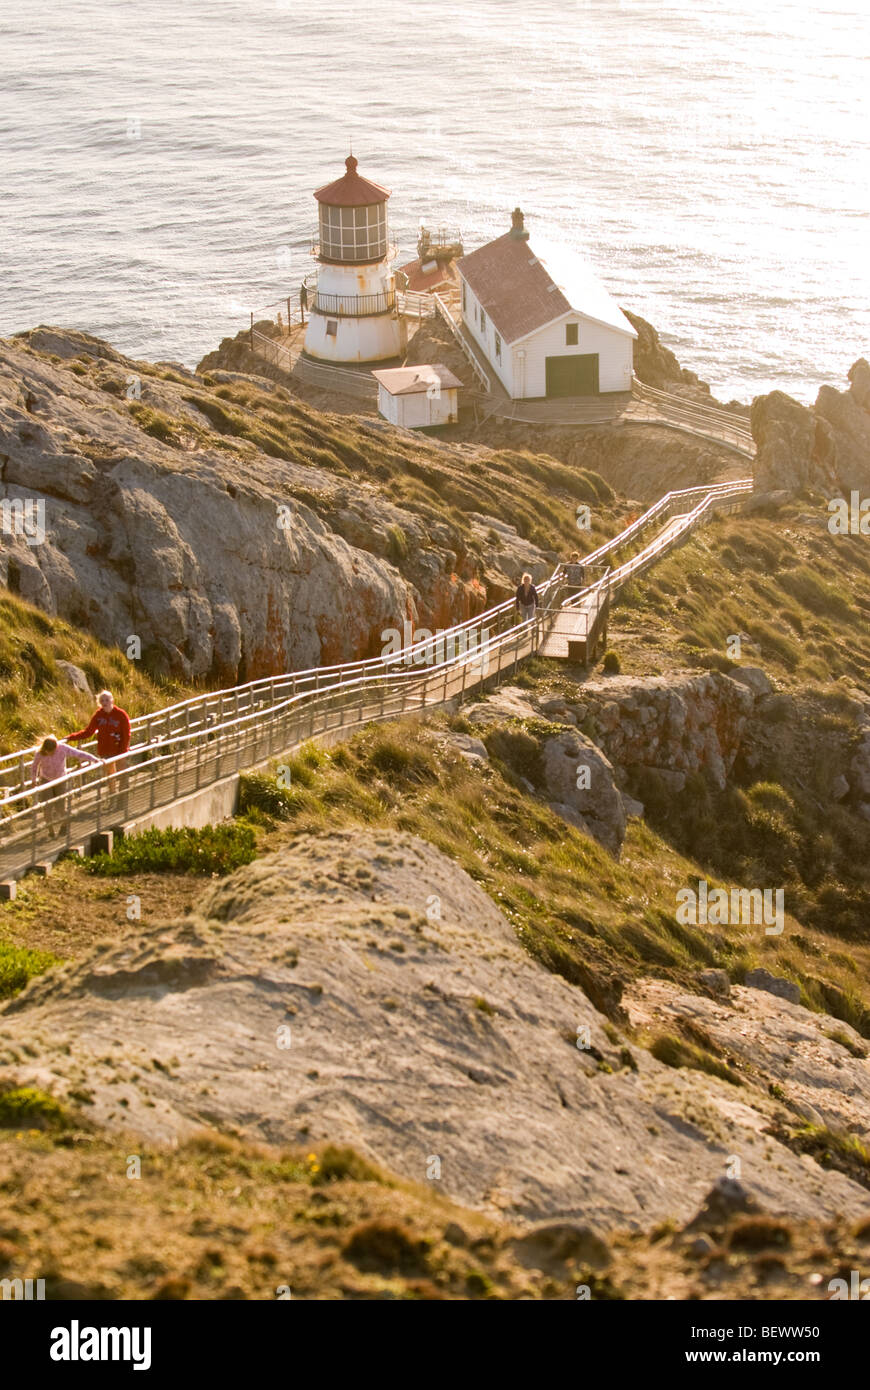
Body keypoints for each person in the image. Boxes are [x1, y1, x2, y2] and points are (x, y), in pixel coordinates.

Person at [31, 735, 101, 836]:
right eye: (48, 752)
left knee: (60, 807)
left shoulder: (62, 748)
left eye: (52, 751)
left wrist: (95, 759)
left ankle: (64, 826)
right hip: (46, 780)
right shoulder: (40, 753)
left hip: (60, 780)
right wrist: (34, 780)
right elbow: (34, 767)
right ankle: (50, 831)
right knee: (47, 807)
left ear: (56, 747)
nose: (50, 753)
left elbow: (78, 754)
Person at [67, 690, 131, 788]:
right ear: (99, 702)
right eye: (102, 700)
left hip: (119, 748)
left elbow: (126, 734)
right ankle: (112, 795)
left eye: (107, 700)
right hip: (105, 749)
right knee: (110, 774)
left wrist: (123, 750)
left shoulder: (121, 715)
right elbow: (88, 731)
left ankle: (123, 794)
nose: (104, 703)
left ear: (112, 700)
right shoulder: (98, 715)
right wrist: (71, 737)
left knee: (122, 772)